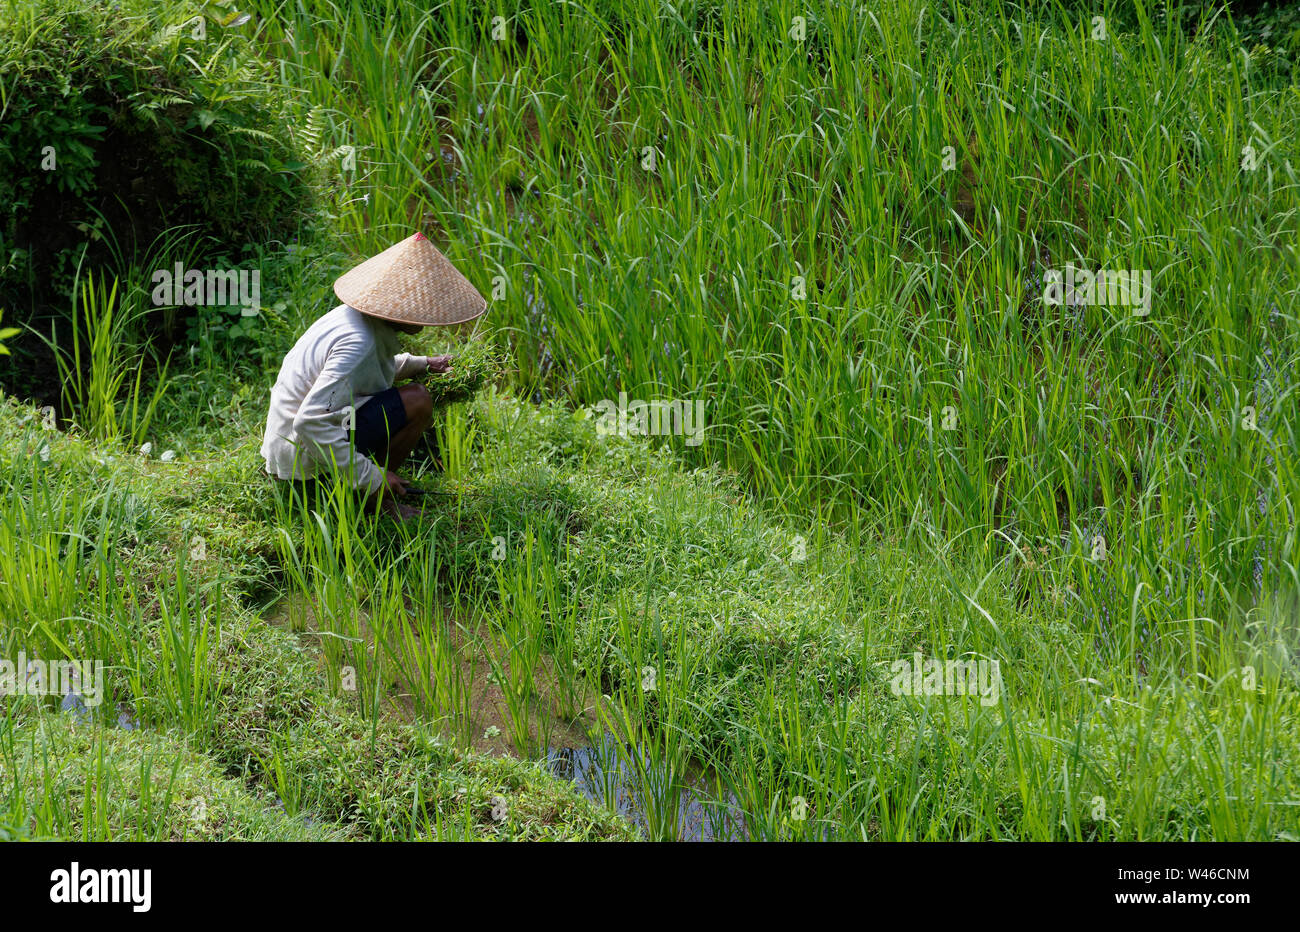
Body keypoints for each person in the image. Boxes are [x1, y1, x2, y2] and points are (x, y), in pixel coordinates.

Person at [260, 232, 487, 519]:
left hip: (289, 447)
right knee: (418, 400)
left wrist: (425, 363)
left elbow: (364, 372)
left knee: (406, 396)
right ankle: (375, 500)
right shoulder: (358, 342)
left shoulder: (352, 318)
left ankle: (364, 482)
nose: (425, 319)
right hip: (300, 458)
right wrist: (372, 477)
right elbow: (309, 421)